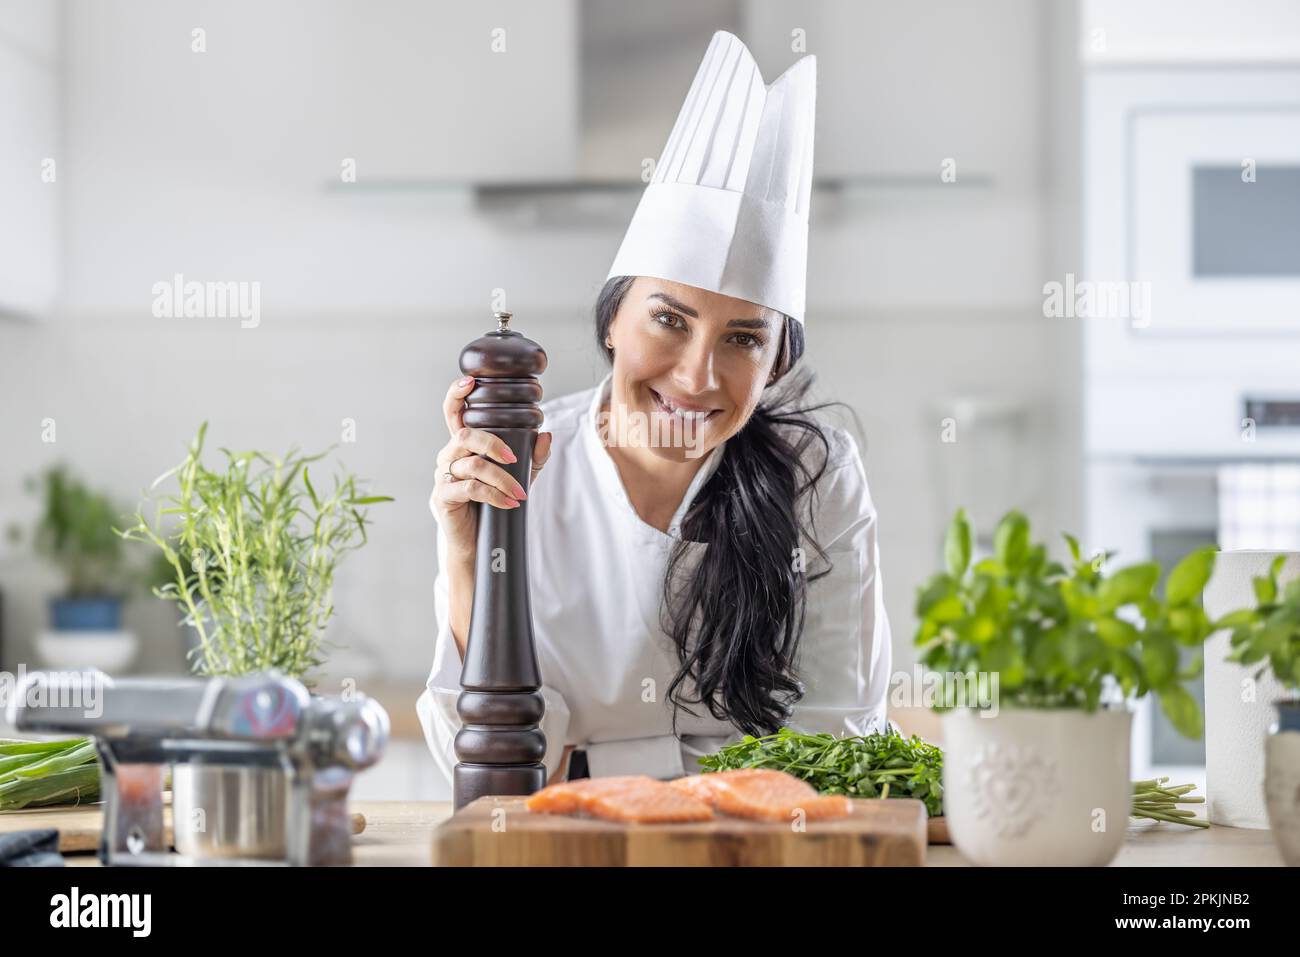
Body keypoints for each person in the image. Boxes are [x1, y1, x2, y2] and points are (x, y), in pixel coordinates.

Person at [417, 30, 891, 787]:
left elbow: (834, 750)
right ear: (613, 319)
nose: (698, 375)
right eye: (669, 319)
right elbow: (498, 767)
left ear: (777, 363)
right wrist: (469, 552)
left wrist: (598, 768)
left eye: (743, 337)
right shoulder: (521, 463)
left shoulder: (816, 474)